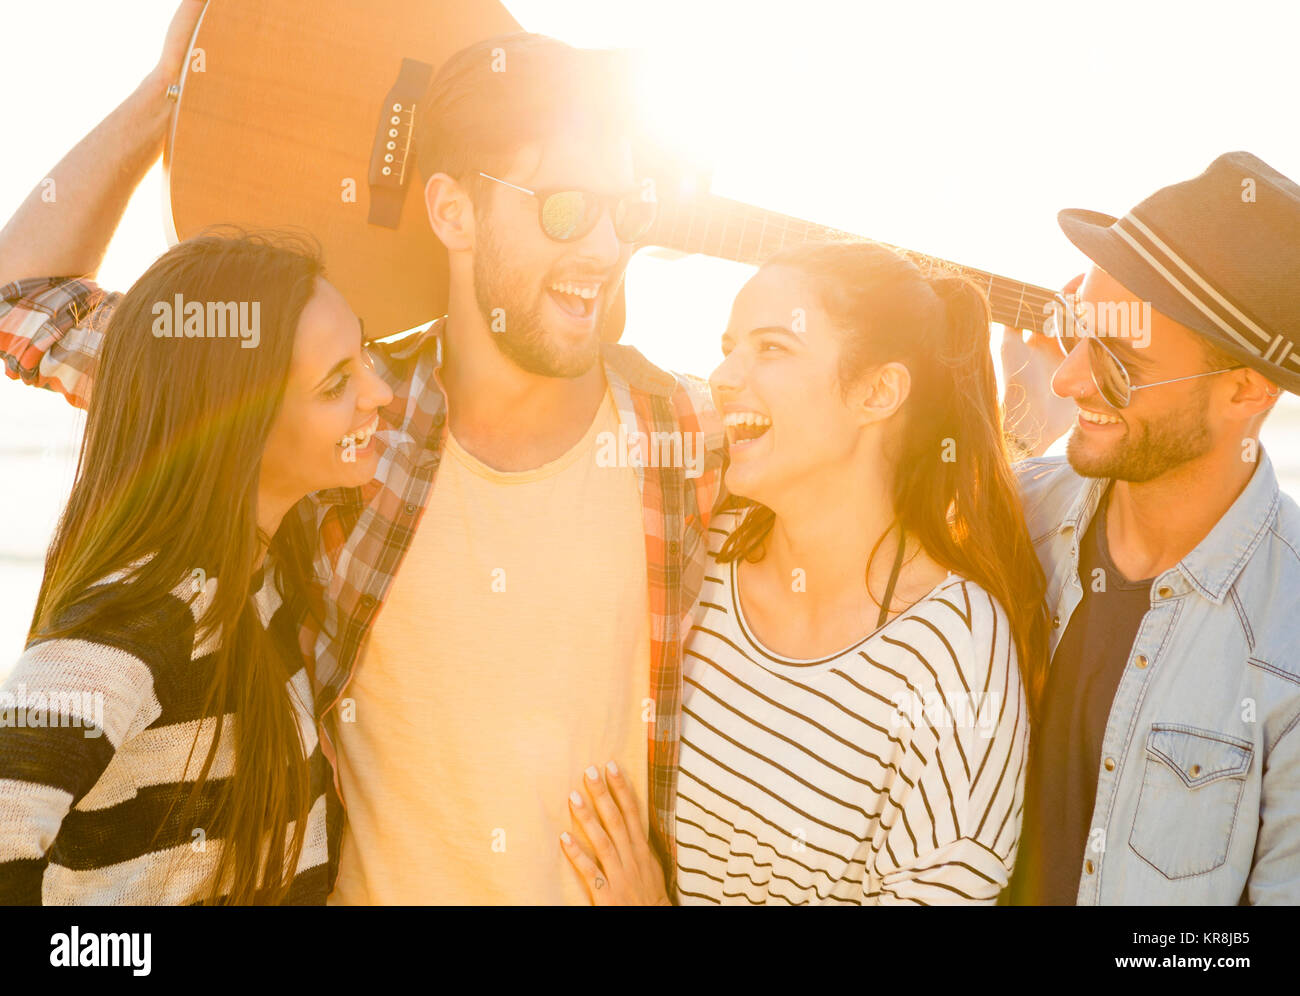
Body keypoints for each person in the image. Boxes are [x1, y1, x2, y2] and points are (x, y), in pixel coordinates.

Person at [0, 9, 724, 903]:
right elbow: (22, 299)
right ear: (453, 209)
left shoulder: (690, 437)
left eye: (627, 209)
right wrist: (168, 98)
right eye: (567, 208)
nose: (608, 248)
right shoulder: (328, 410)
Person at [558, 240, 1048, 904]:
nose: (726, 374)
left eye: (771, 349)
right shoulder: (702, 556)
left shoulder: (955, 650)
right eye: (729, 345)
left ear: (878, 392)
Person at [0, 228, 392, 903]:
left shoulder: (265, 583)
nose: (379, 392)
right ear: (237, 424)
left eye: (365, 354)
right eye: (336, 384)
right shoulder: (131, 626)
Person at [1002, 151, 1300, 904]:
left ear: (1245, 391)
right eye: (1077, 330)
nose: (1070, 380)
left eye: (1121, 362)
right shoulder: (1010, 517)